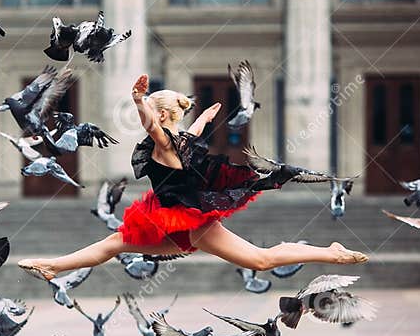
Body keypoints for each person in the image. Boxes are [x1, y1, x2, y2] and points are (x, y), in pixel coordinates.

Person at [18, 74, 367, 281]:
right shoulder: (182, 141)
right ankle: (51, 266)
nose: (147, 119)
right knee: (112, 245)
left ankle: (330, 252)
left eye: (154, 113)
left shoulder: (166, 141)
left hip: (189, 222)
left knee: (260, 260)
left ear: (163, 114)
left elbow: (154, 127)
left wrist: (138, 100)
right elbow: (193, 132)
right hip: (170, 222)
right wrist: (204, 118)